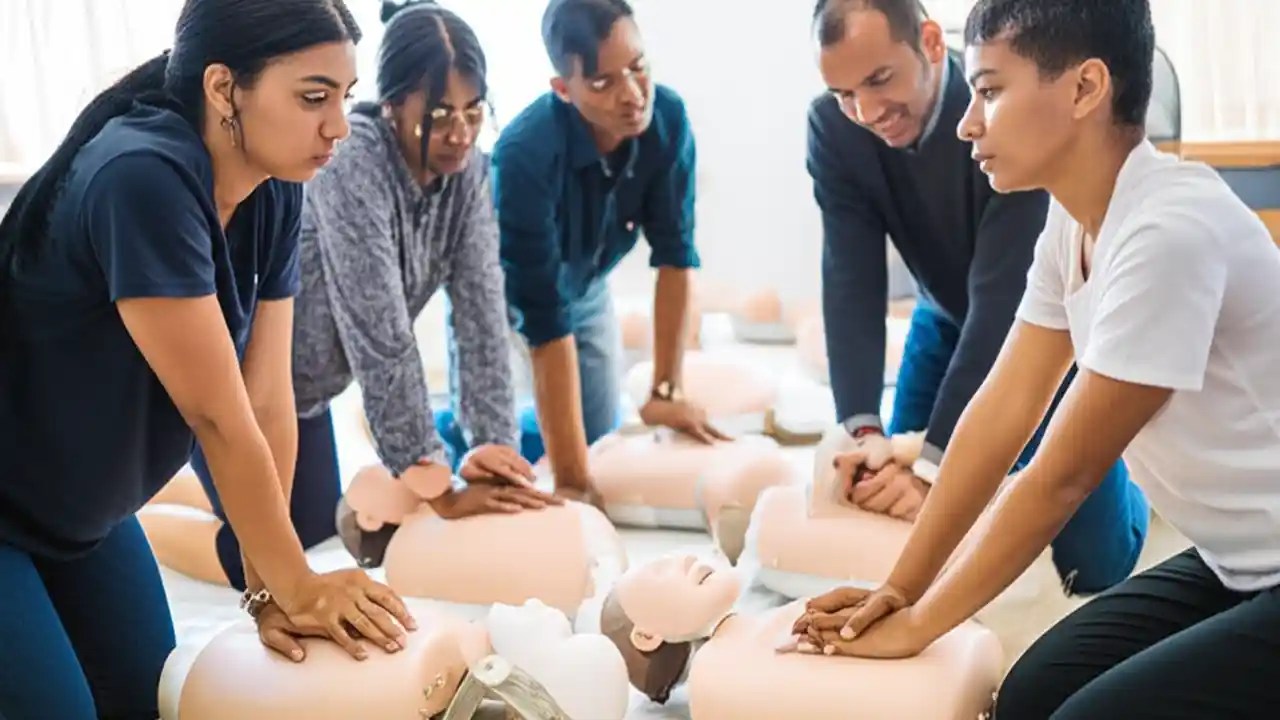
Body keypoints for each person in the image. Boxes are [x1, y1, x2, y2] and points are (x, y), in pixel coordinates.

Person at [792, 0, 1280, 717]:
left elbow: (1058, 478)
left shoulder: (1170, 233)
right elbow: (1003, 410)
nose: (967, 122)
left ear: (1084, 89)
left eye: (988, 91)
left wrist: (921, 626)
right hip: (1233, 562)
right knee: (1030, 695)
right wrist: (900, 590)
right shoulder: (1074, 222)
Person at [0, 1, 424, 717]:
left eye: (344, 98)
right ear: (224, 87)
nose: (339, 127)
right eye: (312, 97)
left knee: (148, 699)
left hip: (85, 516)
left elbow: (265, 399)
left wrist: (271, 584)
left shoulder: (277, 188)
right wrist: (295, 581)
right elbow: (217, 417)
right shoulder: (142, 176)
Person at [139, 0, 557, 592]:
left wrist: (493, 452)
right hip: (235, 387)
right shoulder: (353, 161)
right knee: (255, 555)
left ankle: (180, 481)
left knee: (307, 530)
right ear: (391, 105)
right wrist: (433, 477)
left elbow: (483, 318)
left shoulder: (467, 174)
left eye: (473, 111)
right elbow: (380, 333)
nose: (460, 133)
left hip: (299, 395)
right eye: (440, 114)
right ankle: (142, 524)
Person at [806, 0, 1147, 594]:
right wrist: (862, 431)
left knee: (1093, 562)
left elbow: (1004, 300)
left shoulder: (1004, 110)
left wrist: (938, 465)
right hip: (942, 316)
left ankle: (1135, 476)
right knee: (903, 503)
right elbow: (850, 276)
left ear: (933, 44)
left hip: (1042, 330)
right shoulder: (834, 129)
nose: (865, 111)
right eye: (844, 93)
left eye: (880, 80)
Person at [492, 0, 724, 504]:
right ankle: (446, 428)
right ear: (563, 90)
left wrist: (666, 390)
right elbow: (545, 319)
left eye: (638, 67)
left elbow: (675, 257)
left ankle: (546, 440)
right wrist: (573, 483)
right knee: (493, 448)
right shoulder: (522, 155)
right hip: (505, 297)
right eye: (603, 83)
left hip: (589, 285)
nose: (632, 95)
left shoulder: (667, 119)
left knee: (600, 436)